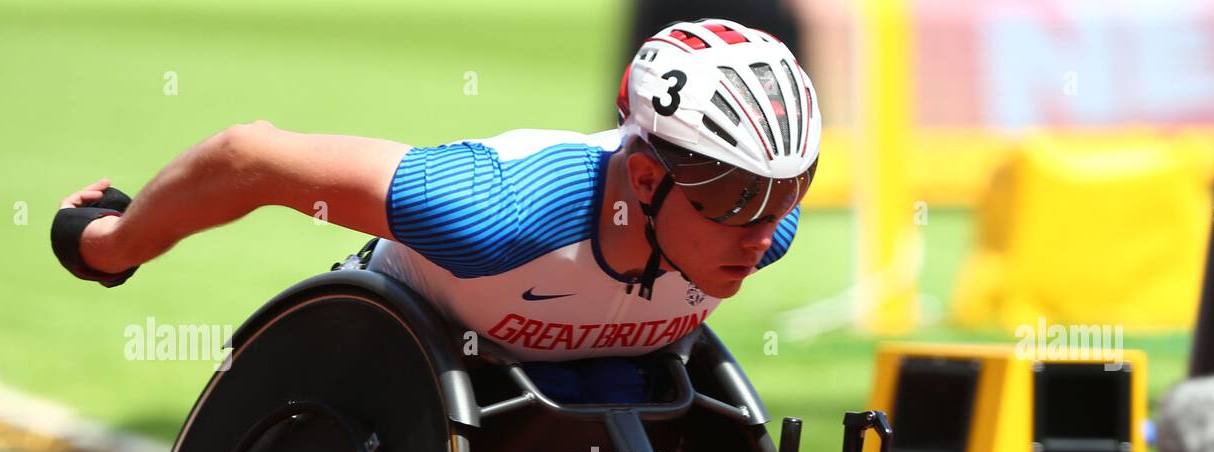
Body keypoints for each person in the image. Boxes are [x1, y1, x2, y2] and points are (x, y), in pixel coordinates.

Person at [52, 17, 822, 404]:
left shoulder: (761, 229)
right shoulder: (491, 213)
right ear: (647, 181)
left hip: (593, 410)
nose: (765, 230)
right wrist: (111, 245)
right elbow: (250, 157)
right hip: (400, 379)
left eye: (791, 191)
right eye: (739, 198)